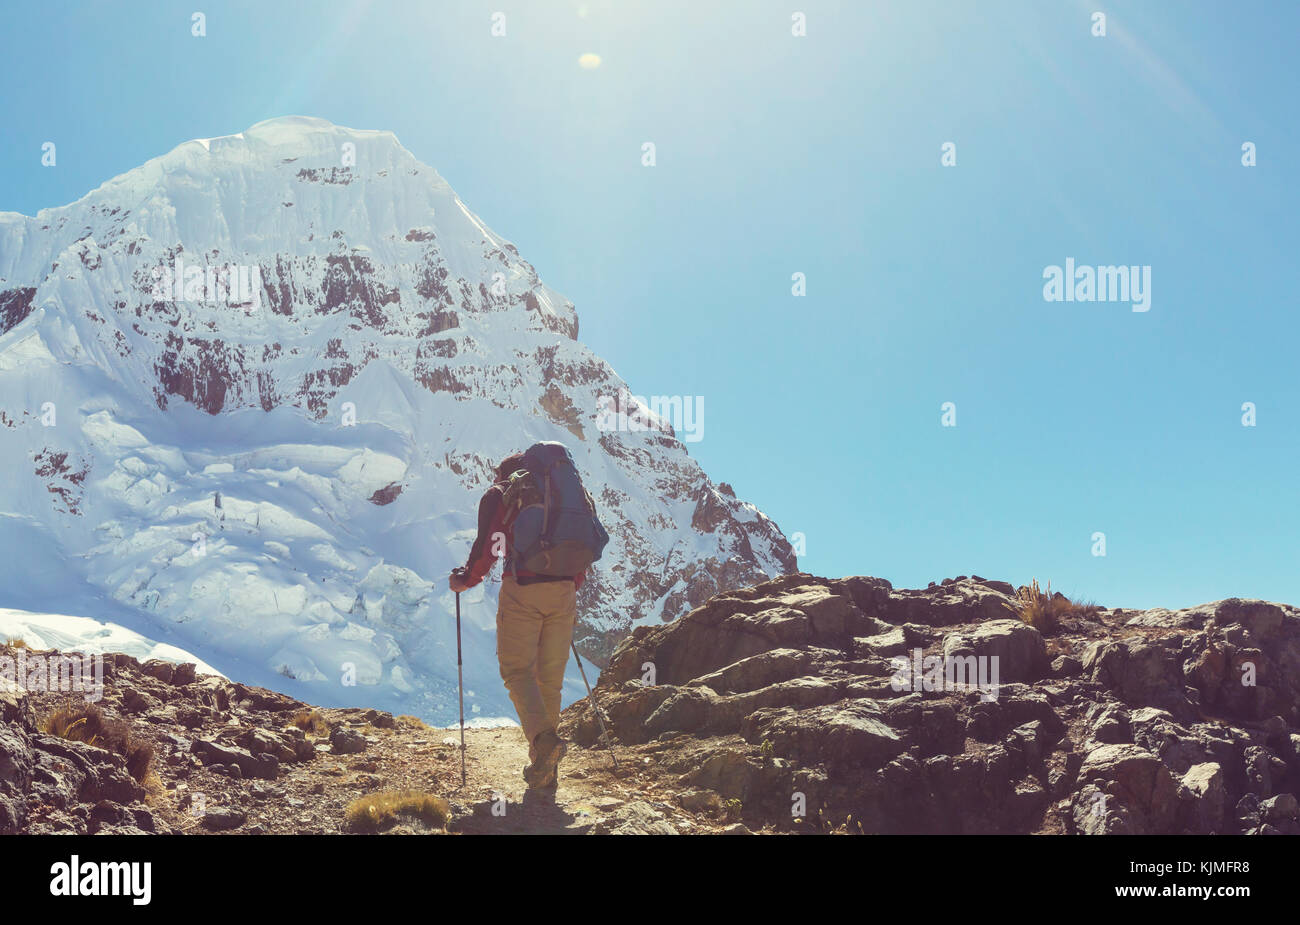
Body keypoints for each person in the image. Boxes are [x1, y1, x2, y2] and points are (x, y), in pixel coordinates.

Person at [449, 452, 586, 789]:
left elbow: (489, 548)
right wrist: (566, 586)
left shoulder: (503, 493)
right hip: (565, 591)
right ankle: (545, 770)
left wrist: (466, 580)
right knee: (549, 680)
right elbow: (583, 546)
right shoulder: (570, 494)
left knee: (517, 670)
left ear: (505, 472)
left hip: (523, 589)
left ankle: (543, 744)